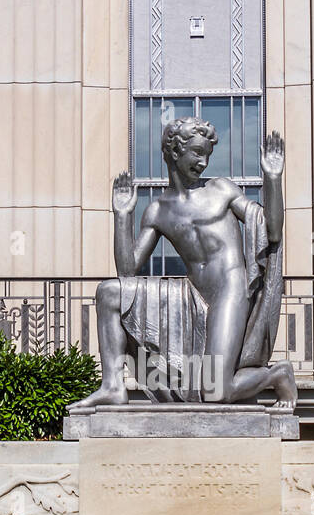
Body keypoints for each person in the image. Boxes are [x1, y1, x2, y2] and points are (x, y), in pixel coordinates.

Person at [70, 115, 297, 408]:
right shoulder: (157, 211)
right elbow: (127, 270)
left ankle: (278, 375)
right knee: (110, 292)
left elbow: (272, 231)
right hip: (190, 296)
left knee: (218, 391)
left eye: (207, 155)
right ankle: (113, 385)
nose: (203, 163)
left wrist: (273, 179)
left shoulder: (221, 190)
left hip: (230, 290)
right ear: (175, 152)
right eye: (197, 154)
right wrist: (122, 216)